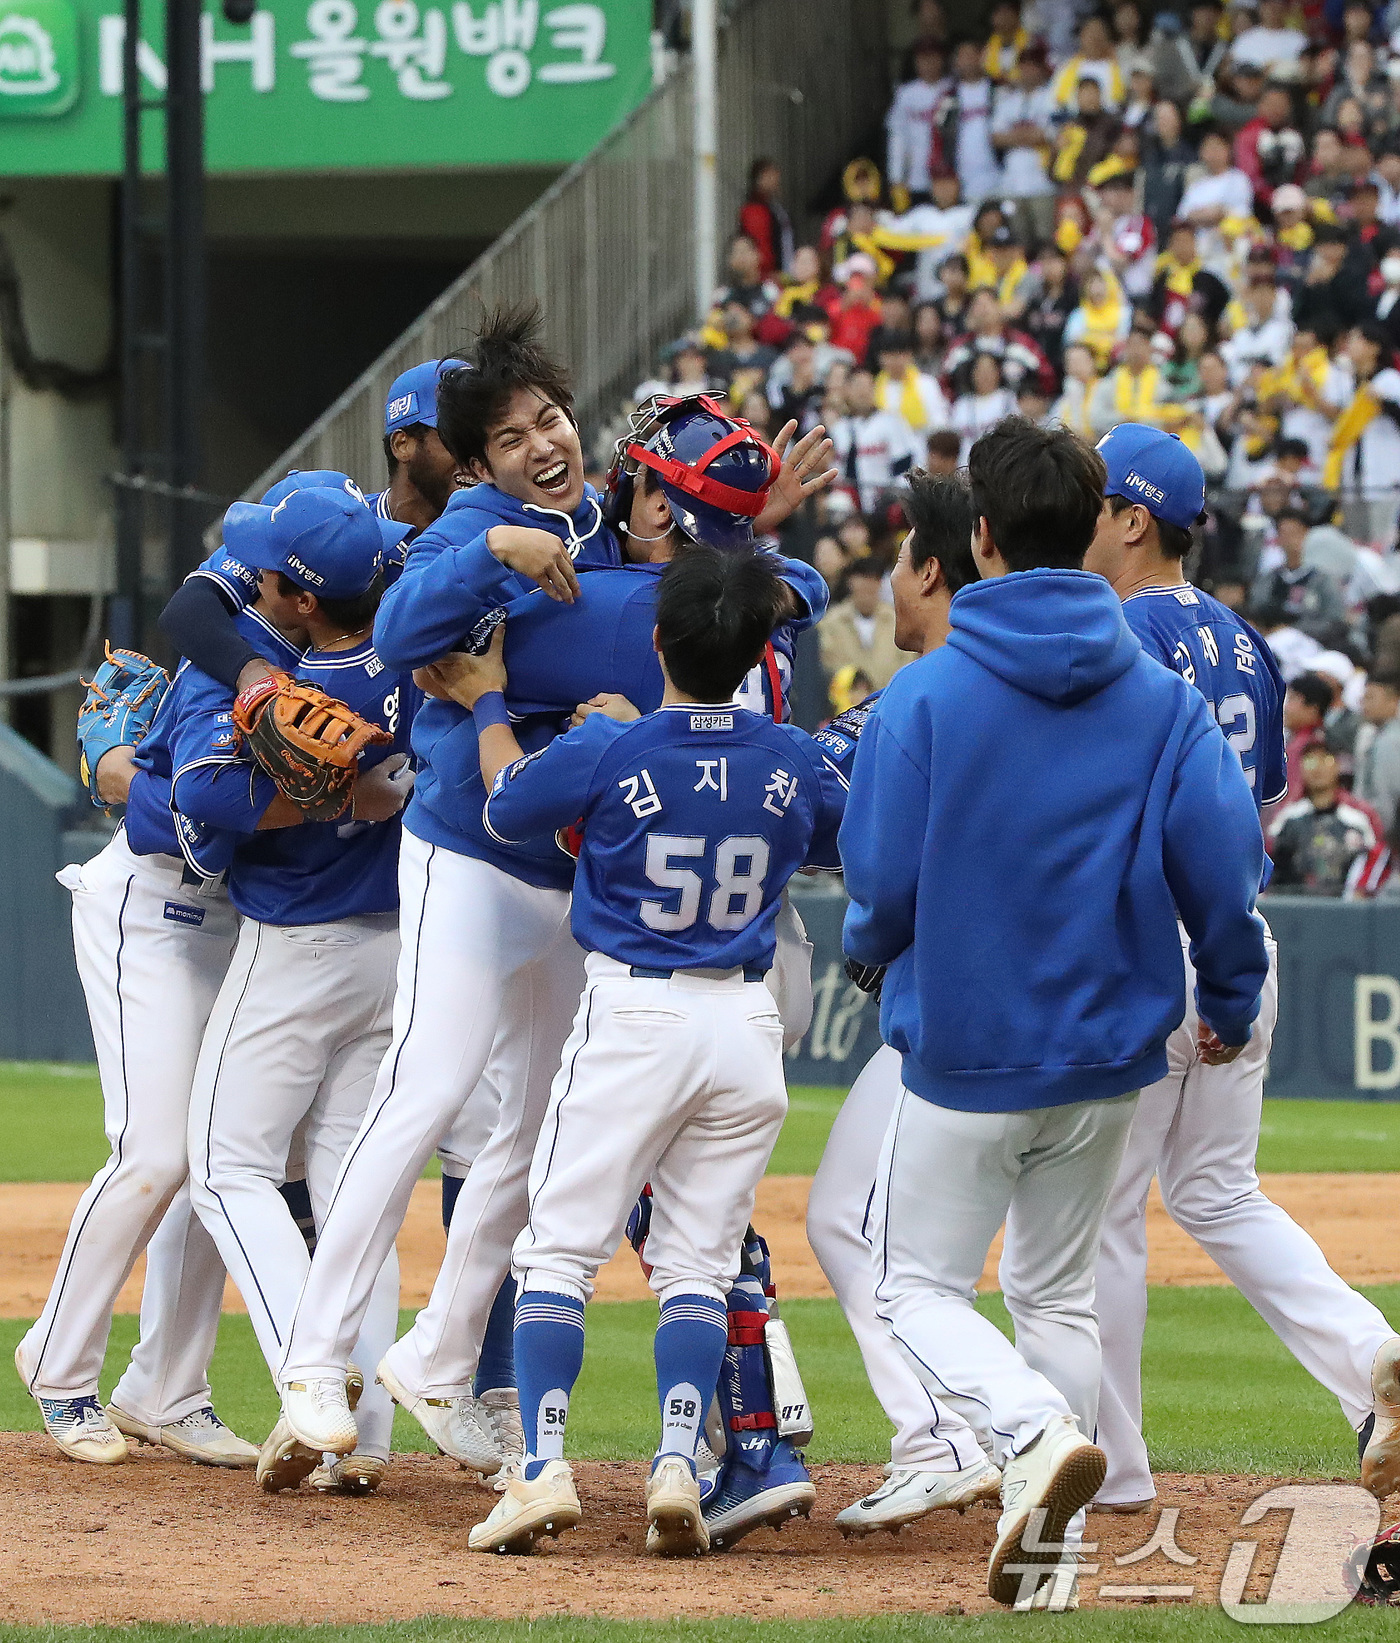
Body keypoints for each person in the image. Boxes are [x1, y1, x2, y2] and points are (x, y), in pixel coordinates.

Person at [841, 417, 1270, 1606]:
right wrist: (1227, 994)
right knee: (1054, 1292)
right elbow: (1222, 866)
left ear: (977, 537)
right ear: (1090, 528)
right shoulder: (1160, 698)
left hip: (967, 1049)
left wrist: (871, 953)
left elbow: (876, 888)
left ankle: (1029, 1433)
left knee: (912, 1287)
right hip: (1109, 1053)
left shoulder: (921, 697)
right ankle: (1051, 1565)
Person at [430, 549, 847, 1557]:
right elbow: (839, 841)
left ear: (657, 639)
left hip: (635, 1017)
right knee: (697, 1264)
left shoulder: (613, 747)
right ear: (756, 652)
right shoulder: (793, 756)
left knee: (556, 1253)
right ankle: (672, 1458)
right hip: (745, 1028)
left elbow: (504, 805)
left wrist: (489, 706)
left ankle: (539, 1466)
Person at [1085, 423, 1400, 1512]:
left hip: (1144, 944)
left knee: (1105, 1213)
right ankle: (1372, 1358)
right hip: (1234, 934)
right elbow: (1255, 799)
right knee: (1216, 1189)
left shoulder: (1105, 630)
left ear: (1130, 517)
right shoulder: (1244, 641)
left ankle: (1116, 1475)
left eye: (1091, 496)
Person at [11, 520, 322, 1469]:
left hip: (230, 925)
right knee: (151, 1150)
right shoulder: (229, 665)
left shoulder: (351, 653)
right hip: (144, 911)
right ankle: (58, 1368)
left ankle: (166, 1387)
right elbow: (170, 819)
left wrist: (130, 773)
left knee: (222, 1152)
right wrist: (131, 775)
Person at [172, 488, 419, 1496]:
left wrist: (317, 787)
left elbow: (201, 792)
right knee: (354, 1186)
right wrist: (374, 784)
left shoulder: (257, 669)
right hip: (400, 947)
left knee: (227, 1167)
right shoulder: (416, 649)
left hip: (296, 945)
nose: (252, 579)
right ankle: (367, 1430)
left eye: (266, 570)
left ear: (295, 595)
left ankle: (312, 1387)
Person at [807, 472, 1002, 1535]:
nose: (884, 581)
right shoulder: (1037, 678)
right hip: (1050, 1005)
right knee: (1047, 1262)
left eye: (897, 562)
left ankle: (955, 1434)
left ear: (934, 570)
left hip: (953, 1004)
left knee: (852, 1219)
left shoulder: (923, 691)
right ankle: (981, 1433)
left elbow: (844, 824)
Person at [1268, 742, 1381, 894]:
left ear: (1337, 765)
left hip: (1348, 910)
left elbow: (1375, 864)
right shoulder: (1287, 818)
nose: (1318, 768)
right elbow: (1274, 870)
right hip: (1295, 908)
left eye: (1326, 760)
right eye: (1310, 762)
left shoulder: (1359, 818)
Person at [829, 367, 925, 512]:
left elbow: (905, 467)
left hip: (885, 502)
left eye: (868, 386)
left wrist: (891, 496)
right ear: (846, 390)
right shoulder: (838, 428)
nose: (863, 392)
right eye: (857, 385)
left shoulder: (891, 422)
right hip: (849, 505)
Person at [1250, 507, 1349, 645]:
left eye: (1296, 533)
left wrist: (1293, 631)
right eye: (1285, 533)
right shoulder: (1268, 580)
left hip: (1314, 647)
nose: (1291, 540)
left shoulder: (1323, 580)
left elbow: (1335, 621)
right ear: (1278, 538)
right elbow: (1255, 613)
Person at [817, 558, 909, 701]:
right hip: (843, 706)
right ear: (850, 581)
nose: (868, 585)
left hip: (890, 702)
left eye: (874, 579)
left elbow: (907, 663)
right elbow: (826, 664)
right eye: (863, 578)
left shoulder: (897, 620)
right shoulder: (830, 622)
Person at [932, 41, 1003, 205]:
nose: (969, 61)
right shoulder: (948, 98)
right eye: (963, 57)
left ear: (982, 57)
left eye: (972, 55)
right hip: (963, 179)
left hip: (1000, 176)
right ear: (956, 62)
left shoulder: (998, 90)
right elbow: (938, 139)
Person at [886, 38, 950, 207]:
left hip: (948, 179)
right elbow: (898, 138)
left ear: (942, 59)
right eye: (922, 59)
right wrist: (896, 177)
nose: (928, 64)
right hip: (916, 179)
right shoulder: (906, 93)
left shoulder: (952, 88)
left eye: (932, 57)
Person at [1354, 672, 1400, 836]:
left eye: (1371, 698)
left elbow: (1386, 797)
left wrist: (1379, 838)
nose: (1364, 704)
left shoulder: (1390, 741)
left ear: (1393, 701)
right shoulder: (1377, 735)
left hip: (1382, 835)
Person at [951, 352, 1018, 462]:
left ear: (998, 373)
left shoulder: (1008, 399)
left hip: (997, 463)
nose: (985, 376)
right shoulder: (962, 403)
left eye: (989, 370)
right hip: (965, 464)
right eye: (980, 371)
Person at [738, 158, 793, 279]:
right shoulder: (755, 210)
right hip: (769, 275)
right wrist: (768, 272)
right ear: (760, 179)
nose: (777, 180)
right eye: (771, 176)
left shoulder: (774, 206)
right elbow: (761, 244)